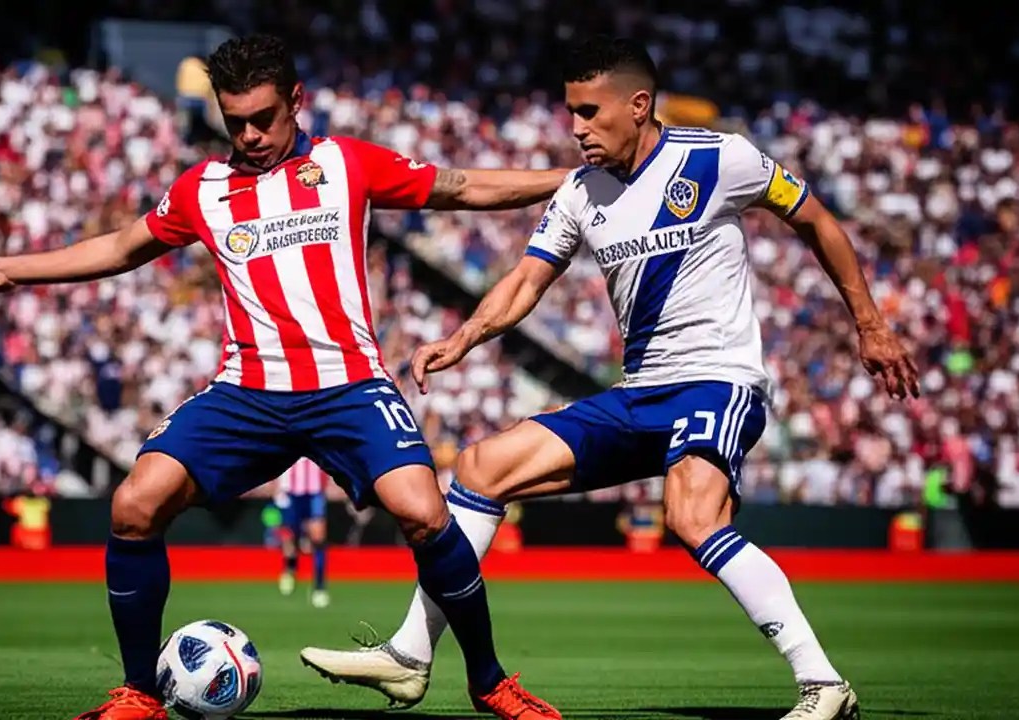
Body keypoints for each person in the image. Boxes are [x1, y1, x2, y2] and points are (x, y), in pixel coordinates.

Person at [0, 34, 567, 720]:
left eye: (263, 118)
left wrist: (568, 181)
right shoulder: (201, 190)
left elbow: (461, 186)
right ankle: (139, 693)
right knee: (134, 506)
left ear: (296, 101)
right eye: (234, 120)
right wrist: (13, 269)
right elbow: (122, 247)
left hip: (348, 385)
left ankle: (489, 682)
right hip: (247, 393)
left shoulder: (344, 163)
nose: (249, 135)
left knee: (425, 513)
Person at [300, 36, 919, 720]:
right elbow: (527, 280)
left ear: (639, 105)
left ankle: (822, 683)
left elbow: (817, 221)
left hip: (717, 381)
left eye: (589, 112)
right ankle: (411, 655)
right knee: (479, 467)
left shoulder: (722, 158)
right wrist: (463, 337)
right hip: (638, 393)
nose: (576, 127)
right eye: (570, 111)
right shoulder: (579, 191)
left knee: (691, 516)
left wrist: (871, 325)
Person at [274, 456, 331, 607]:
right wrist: (278, 490)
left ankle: (319, 586)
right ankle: (290, 568)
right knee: (290, 536)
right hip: (292, 493)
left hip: (314, 493)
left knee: (318, 539)